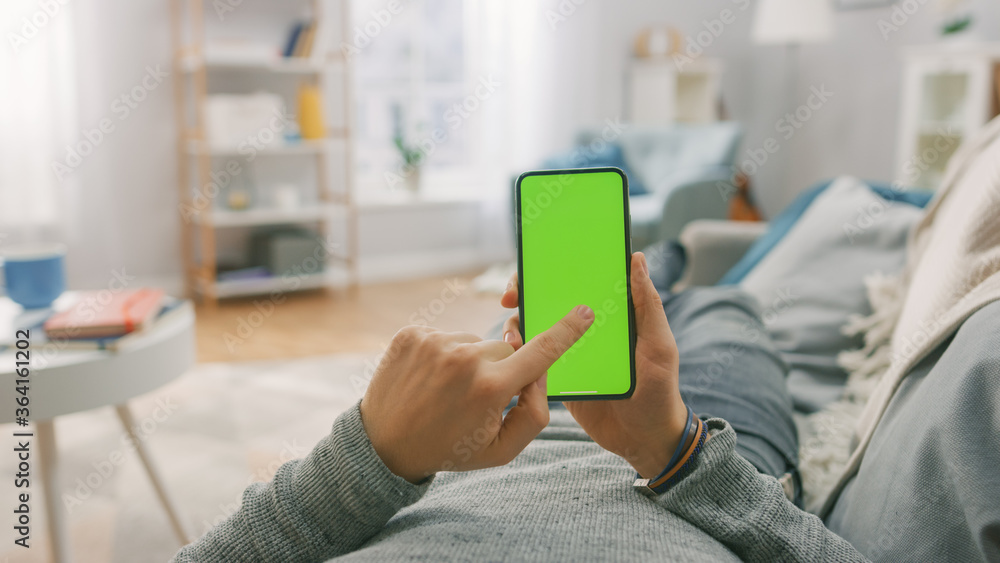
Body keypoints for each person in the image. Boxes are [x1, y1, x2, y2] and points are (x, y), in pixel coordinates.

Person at [172, 252, 867, 562]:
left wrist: (374, 452)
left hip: (473, 440)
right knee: (724, 302)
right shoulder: (685, 449)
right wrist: (677, 451)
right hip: (691, 449)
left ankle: (671, 263)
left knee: (545, 320)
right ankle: (690, 263)